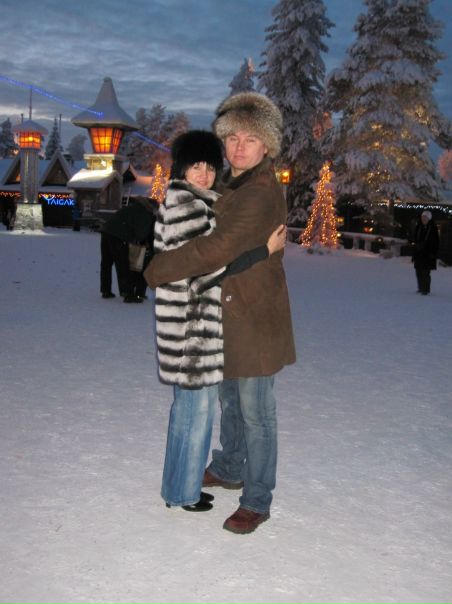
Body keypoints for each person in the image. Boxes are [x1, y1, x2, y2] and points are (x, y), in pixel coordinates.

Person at [145, 93, 296, 533]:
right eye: (232, 138)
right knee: (230, 402)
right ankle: (230, 466)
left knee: (256, 413)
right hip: (223, 315)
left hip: (255, 319)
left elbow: (217, 248)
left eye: (250, 139)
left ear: (266, 145)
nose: (239, 148)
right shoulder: (230, 183)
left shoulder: (260, 191)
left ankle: (257, 498)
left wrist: (157, 269)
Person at [100, 198, 156, 302]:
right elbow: (141, 234)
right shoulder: (145, 213)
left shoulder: (132, 207)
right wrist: (143, 242)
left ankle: (105, 290)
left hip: (106, 232)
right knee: (123, 265)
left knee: (106, 263)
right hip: (119, 236)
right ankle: (128, 294)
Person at [412, 210, 440, 295]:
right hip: (419, 253)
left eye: (425, 217)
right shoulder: (419, 227)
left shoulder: (432, 228)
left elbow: (435, 242)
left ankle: (425, 289)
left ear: (429, 219)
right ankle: (420, 287)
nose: (423, 219)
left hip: (428, 254)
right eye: (422, 217)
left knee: (425, 272)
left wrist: (432, 252)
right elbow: (415, 238)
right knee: (418, 271)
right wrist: (416, 246)